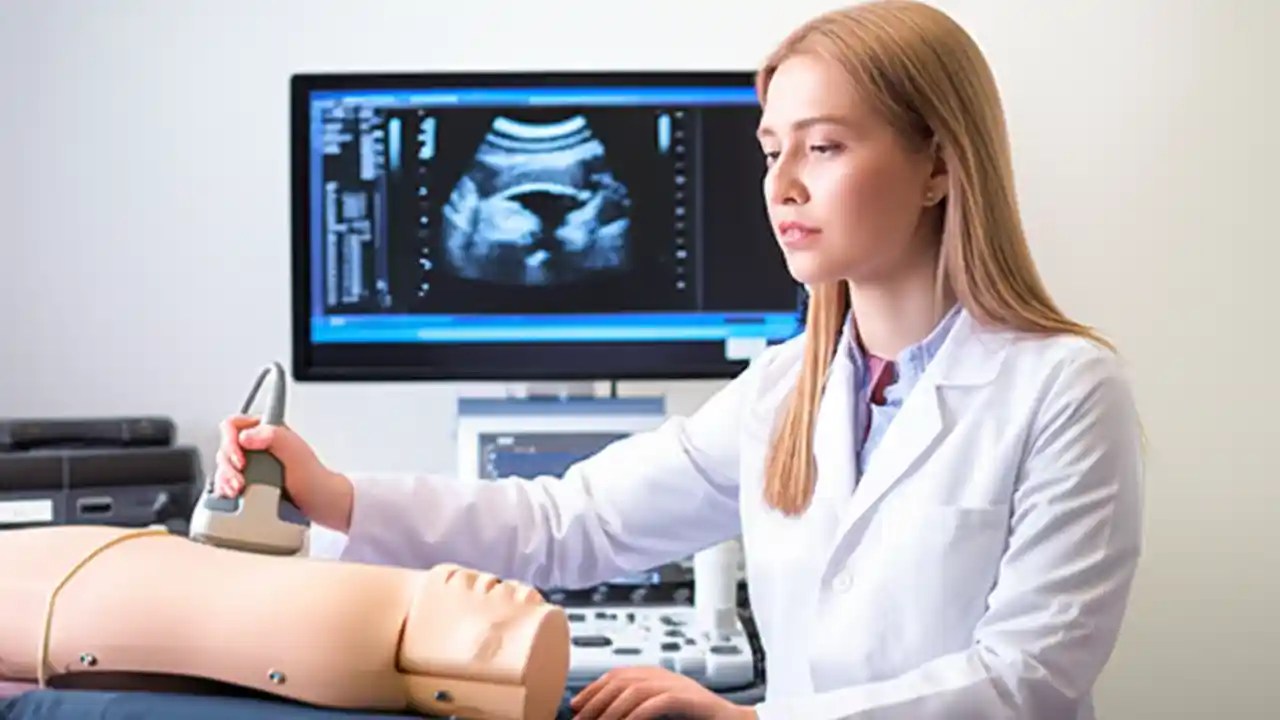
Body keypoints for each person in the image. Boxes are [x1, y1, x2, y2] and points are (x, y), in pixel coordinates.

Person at [214, 1, 1144, 718]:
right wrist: (331, 495)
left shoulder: (1062, 390)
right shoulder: (785, 389)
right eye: (772, 150)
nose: (782, 185)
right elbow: (569, 523)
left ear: (939, 165)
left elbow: (1026, 677)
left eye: (824, 146)